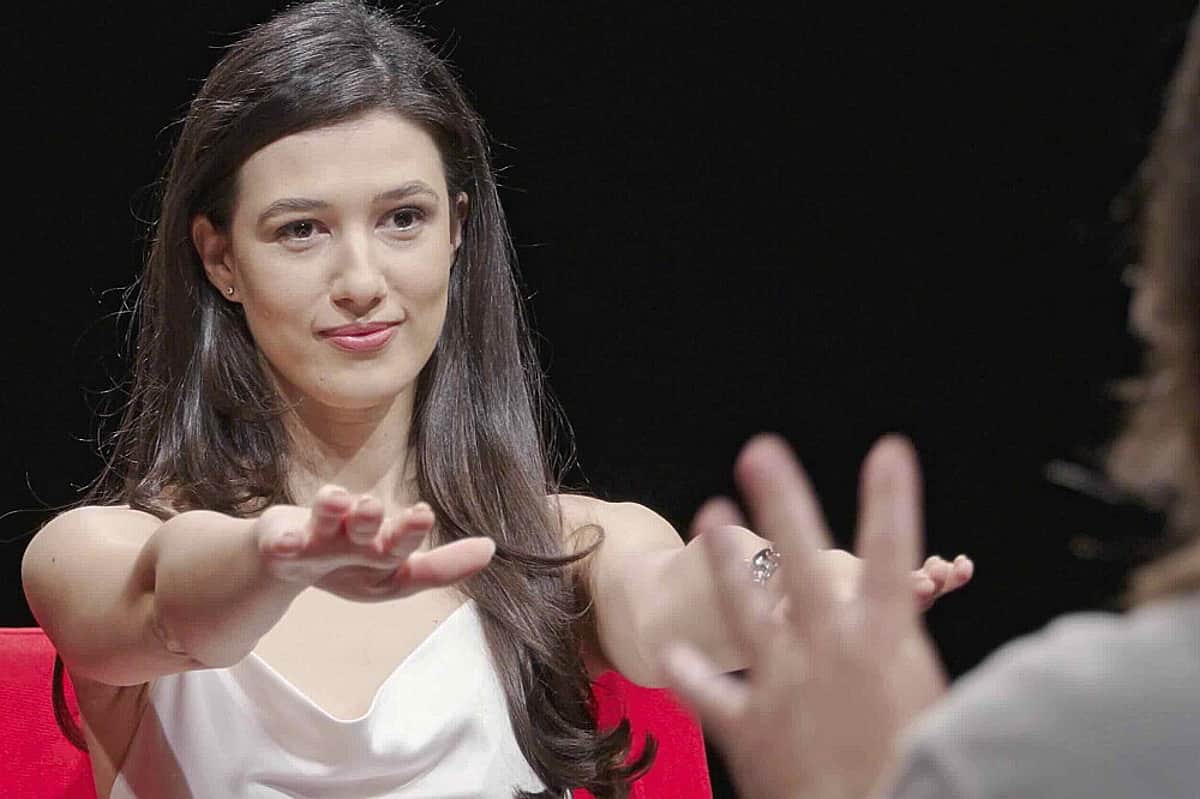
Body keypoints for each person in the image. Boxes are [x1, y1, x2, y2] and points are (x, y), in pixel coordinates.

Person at [17, 2, 973, 798]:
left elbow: (668, 603)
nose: (361, 278)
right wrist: (274, 557)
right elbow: (162, 601)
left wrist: (778, 585)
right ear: (220, 256)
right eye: (301, 230)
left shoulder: (559, 552)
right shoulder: (93, 548)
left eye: (403, 218)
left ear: (457, 230)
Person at [661, 7, 1200, 799]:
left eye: (411, 219)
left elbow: (655, 587)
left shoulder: (1051, 735)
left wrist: (794, 578)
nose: (399, 277)